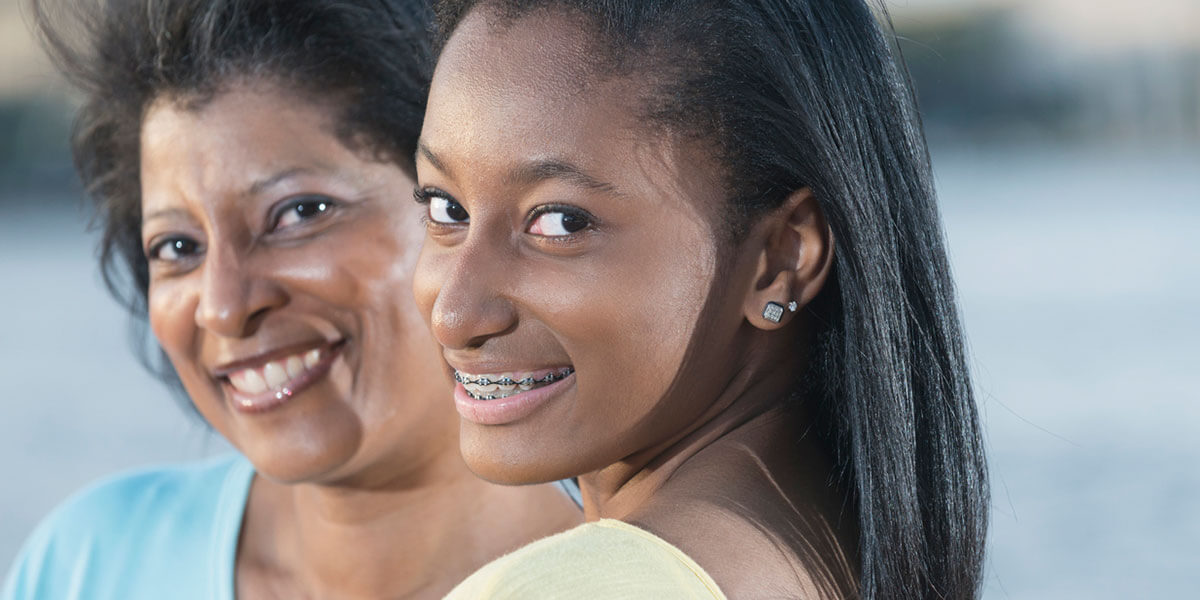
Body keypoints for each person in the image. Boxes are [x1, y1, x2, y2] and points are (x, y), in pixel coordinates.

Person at [4, 1, 581, 598]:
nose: (224, 307)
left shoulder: (642, 575)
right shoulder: (87, 565)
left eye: (300, 213)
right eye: (177, 246)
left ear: (461, 208)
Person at [413, 0, 989, 598]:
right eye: (444, 208)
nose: (454, 314)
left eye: (559, 223)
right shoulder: (841, 565)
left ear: (781, 258)